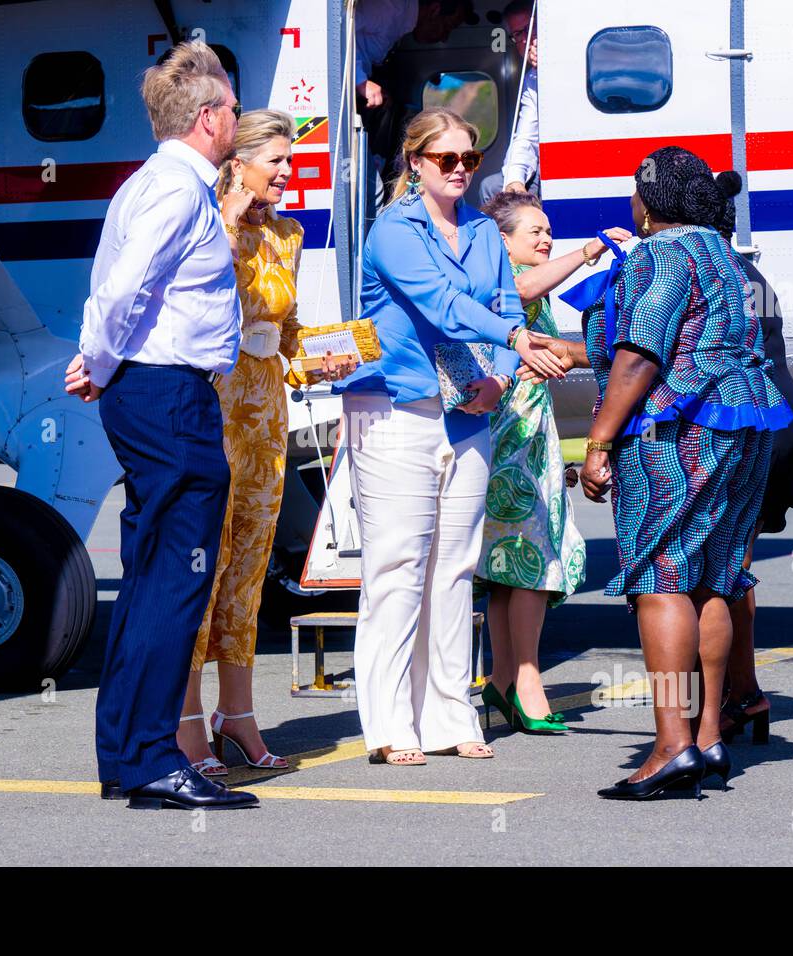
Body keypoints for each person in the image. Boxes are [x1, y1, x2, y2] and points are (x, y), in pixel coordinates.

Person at [543, 146, 793, 799]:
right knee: (715, 580)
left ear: (648, 202)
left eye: (635, 191)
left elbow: (638, 357)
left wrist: (598, 442)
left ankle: (670, 744)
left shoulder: (659, 254)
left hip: (677, 435)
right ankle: (708, 732)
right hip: (750, 429)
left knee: (660, 583)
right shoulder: (723, 255)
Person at [333, 107, 568, 766]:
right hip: (397, 410)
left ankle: (448, 712)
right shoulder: (393, 231)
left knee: (454, 570)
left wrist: (498, 373)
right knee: (397, 568)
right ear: (416, 163)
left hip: (469, 415)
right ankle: (389, 723)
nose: (462, 170)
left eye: (470, 158)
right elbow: (441, 303)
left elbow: (500, 302)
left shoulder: (482, 232)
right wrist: (517, 340)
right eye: (447, 160)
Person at [66, 41, 256, 812]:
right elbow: (122, 288)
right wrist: (102, 359)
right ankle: (151, 758)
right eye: (234, 111)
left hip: (153, 392)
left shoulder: (149, 185)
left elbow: (109, 282)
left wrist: (100, 360)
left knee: (151, 581)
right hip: (168, 395)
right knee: (177, 582)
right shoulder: (178, 193)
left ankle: (126, 753)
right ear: (209, 118)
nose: (239, 121)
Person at [177, 110, 357, 776]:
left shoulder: (286, 235)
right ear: (238, 162)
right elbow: (192, 292)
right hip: (210, 404)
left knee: (250, 563)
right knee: (206, 561)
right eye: (276, 160)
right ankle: (186, 721)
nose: (288, 171)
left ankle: (239, 714)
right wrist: (228, 212)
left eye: (291, 159)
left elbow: (288, 335)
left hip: (264, 412)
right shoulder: (203, 226)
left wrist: (322, 358)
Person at [475, 190, 630, 733]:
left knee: (509, 562)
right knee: (531, 556)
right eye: (533, 232)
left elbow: (555, 338)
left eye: (547, 231)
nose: (545, 239)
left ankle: (502, 678)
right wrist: (590, 250)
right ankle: (527, 680)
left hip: (525, 427)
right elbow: (523, 288)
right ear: (503, 241)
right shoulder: (505, 279)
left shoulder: (521, 284)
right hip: (510, 429)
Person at [718, 203, 793, 743]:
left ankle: (733, 699)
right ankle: (743, 692)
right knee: (734, 568)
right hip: (778, 418)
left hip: (753, 426)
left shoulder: (709, 273)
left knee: (720, 573)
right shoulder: (746, 272)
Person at [355, 0, 475, 109]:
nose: (444, 38)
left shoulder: (402, 21)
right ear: (434, 10)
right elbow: (339, 26)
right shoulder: (390, 7)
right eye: (447, 27)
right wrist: (361, 82)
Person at [480, 0, 540, 204]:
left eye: (530, 29)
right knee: (493, 187)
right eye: (518, 35)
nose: (526, 39)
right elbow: (526, 136)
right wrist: (515, 182)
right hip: (550, 163)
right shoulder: (532, 78)